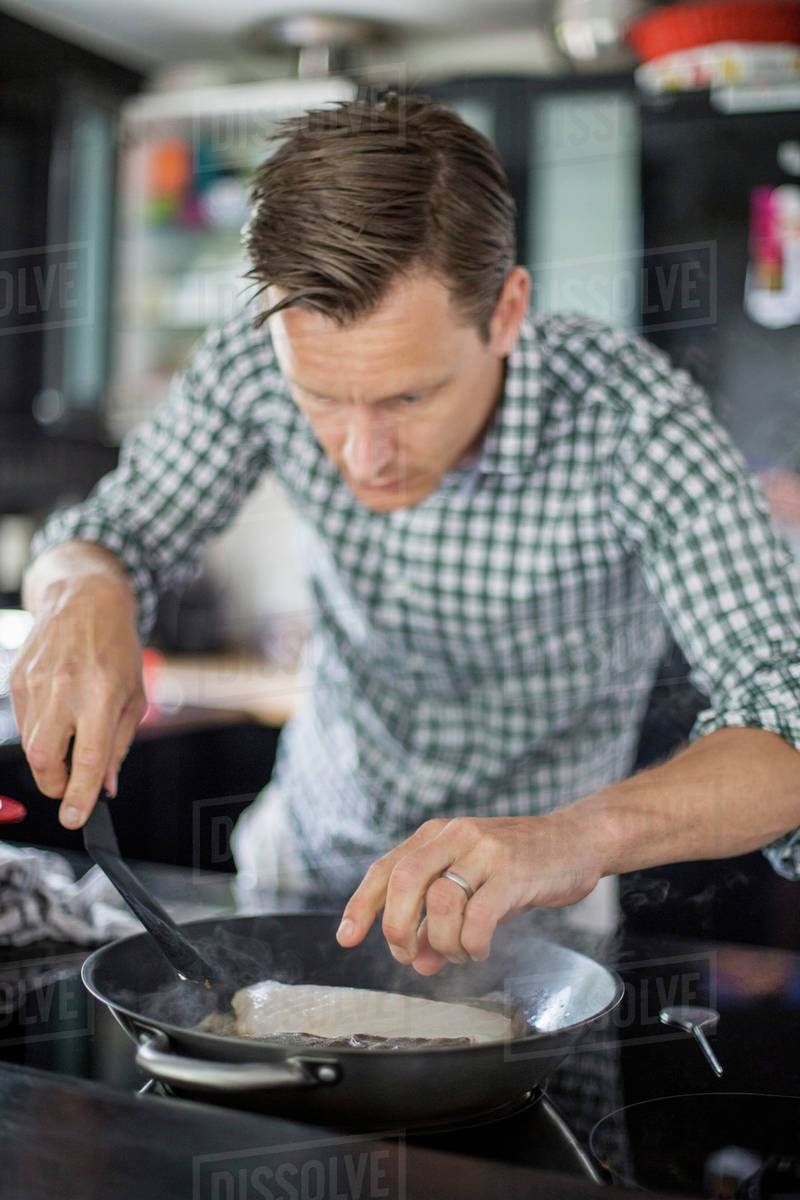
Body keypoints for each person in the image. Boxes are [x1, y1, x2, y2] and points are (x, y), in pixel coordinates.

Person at [11, 95, 800, 977]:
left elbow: (789, 716)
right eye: (320, 398)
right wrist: (83, 591)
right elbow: (111, 532)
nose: (363, 456)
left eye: (409, 397)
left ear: (507, 311)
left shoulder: (633, 421)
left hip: (529, 927)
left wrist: (572, 838)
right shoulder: (258, 354)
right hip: (298, 874)